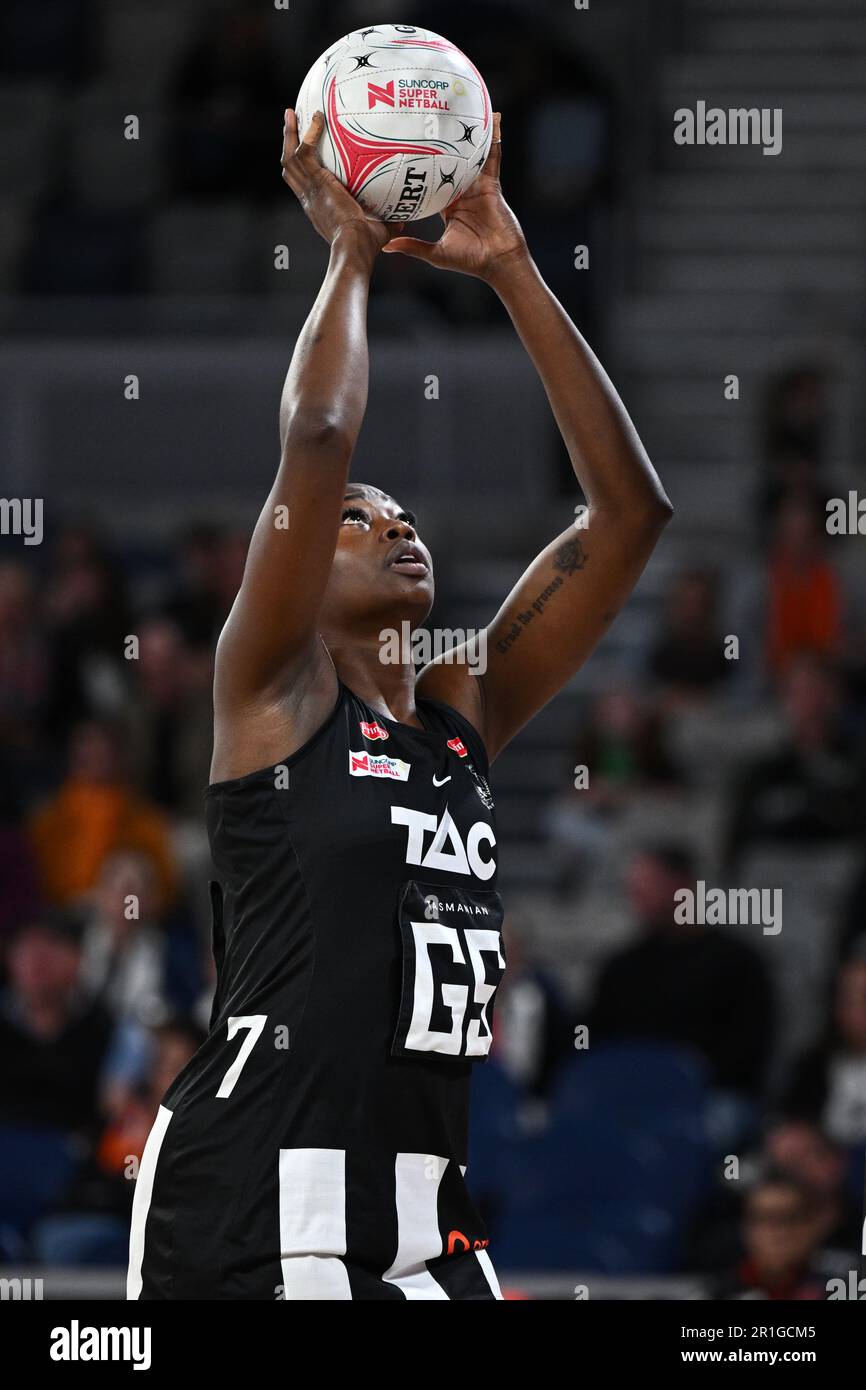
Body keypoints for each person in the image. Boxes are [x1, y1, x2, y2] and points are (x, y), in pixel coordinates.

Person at [128, 104, 671, 1302]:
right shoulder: (270, 688)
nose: (392, 523)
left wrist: (514, 267)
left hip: (426, 1208)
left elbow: (629, 517)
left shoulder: (460, 710)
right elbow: (320, 429)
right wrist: (350, 249)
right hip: (262, 1188)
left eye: (402, 513)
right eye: (355, 519)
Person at [590, 845, 774, 1100]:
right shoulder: (621, 967)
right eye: (634, 888)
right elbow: (592, 1034)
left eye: (648, 886)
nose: (637, 897)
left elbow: (749, 1048)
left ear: (681, 886)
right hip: (629, 1094)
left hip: (709, 1096)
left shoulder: (738, 962)